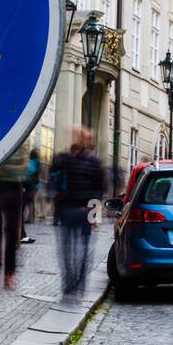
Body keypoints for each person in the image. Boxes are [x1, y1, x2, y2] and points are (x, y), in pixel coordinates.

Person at [51, 127, 105, 296]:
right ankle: (77, 282)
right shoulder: (92, 162)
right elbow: (100, 189)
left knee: (72, 249)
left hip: (71, 210)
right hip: (79, 210)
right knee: (79, 249)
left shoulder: (66, 159)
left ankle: (72, 281)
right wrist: (93, 212)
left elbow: (99, 189)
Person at [0, 142, 29, 291]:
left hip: (15, 191)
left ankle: (9, 274)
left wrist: (4, 167)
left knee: (12, 234)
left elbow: (23, 169)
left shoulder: (21, 140)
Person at [20, 148, 42, 244]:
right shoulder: (35, 162)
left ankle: (22, 233)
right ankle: (31, 218)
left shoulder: (32, 162)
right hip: (30, 186)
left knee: (24, 206)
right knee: (28, 204)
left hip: (28, 186)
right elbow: (34, 173)